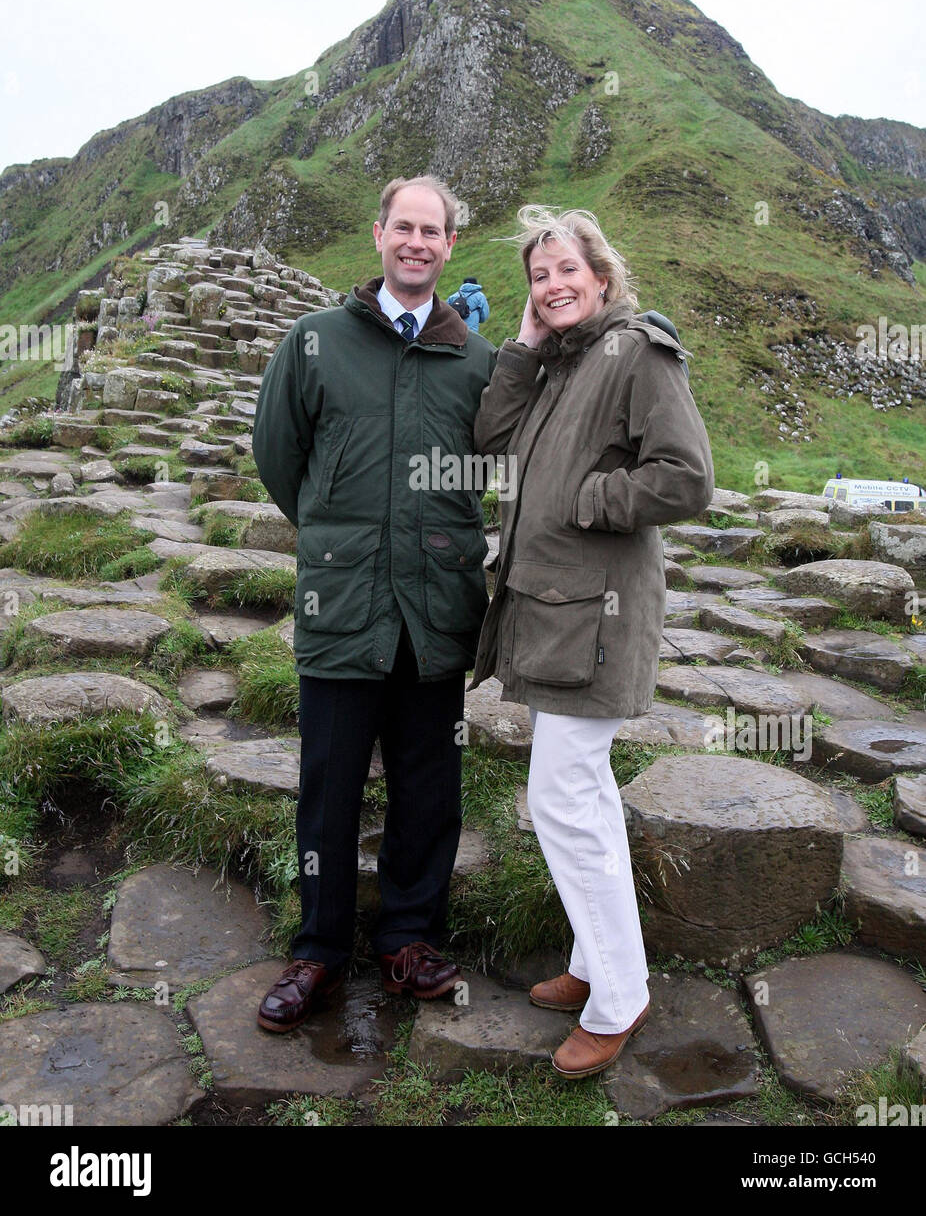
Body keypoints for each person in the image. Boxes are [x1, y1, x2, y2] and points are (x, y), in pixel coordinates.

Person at [469, 205, 714, 1077]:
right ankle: (593, 962)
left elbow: (687, 478)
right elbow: (489, 438)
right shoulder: (564, 362)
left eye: (567, 269)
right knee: (585, 798)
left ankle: (619, 996)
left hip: (598, 620)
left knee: (565, 801)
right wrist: (526, 342)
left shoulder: (638, 352)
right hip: (553, 614)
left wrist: (591, 500)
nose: (554, 283)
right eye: (539, 275)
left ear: (603, 275)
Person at [251, 174, 496, 1031]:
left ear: (450, 246)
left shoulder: (477, 360)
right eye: (406, 227)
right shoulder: (315, 341)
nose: (418, 243)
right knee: (328, 787)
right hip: (342, 605)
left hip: (436, 611)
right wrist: (336, 535)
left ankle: (409, 938)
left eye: (434, 231)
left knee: (430, 788)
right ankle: (317, 949)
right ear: (379, 234)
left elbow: (504, 456)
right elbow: (279, 458)